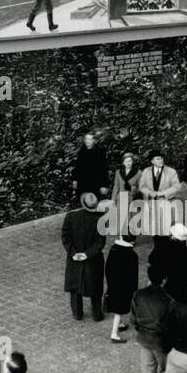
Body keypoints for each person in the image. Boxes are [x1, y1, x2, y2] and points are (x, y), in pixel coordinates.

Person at [131, 264, 173, 373]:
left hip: (144, 341)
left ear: (148, 278)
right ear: (164, 280)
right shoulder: (168, 299)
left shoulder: (138, 295)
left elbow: (133, 320)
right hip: (162, 344)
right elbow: (171, 325)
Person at [62, 190, 106, 321]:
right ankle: (96, 314)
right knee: (95, 286)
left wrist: (73, 253)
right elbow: (100, 243)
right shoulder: (100, 220)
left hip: (74, 257)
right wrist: (87, 254)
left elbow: (65, 237)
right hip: (93, 259)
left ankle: (77, 313)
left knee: (75, 285)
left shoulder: (70, 217)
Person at [141, 151, 183, 242]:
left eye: (161, 158)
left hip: (166, 204)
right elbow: (142, 186)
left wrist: (163, 193)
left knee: (166, 231)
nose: (161, 160)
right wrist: (149, 192)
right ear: (152, 161)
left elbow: (177, 187)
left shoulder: (171, 171)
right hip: (152, 205)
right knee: (155, 232)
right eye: (157, 159)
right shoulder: (146, 172)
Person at [104, 232, 138, 343]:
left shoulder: (113, 249)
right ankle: (114, 334)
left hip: (113, 283)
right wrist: (134, 289)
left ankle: (121, 323)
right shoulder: (132, 255)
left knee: (118, 306)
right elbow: (134, 274)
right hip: (125, 286)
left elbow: (107, 268)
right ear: (132, 241)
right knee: (120, 309)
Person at [72, 130, 110, 200]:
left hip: (95, 185)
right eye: (86, 139)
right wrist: (75, 179)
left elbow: (103, 169)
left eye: (90, 139)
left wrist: (104, 185)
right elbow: (77, 167)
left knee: (94, 205)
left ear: (94, 141)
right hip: (82, 185)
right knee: (84, 205)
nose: (87, 141)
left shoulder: (100, 152)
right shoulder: (82, 151)